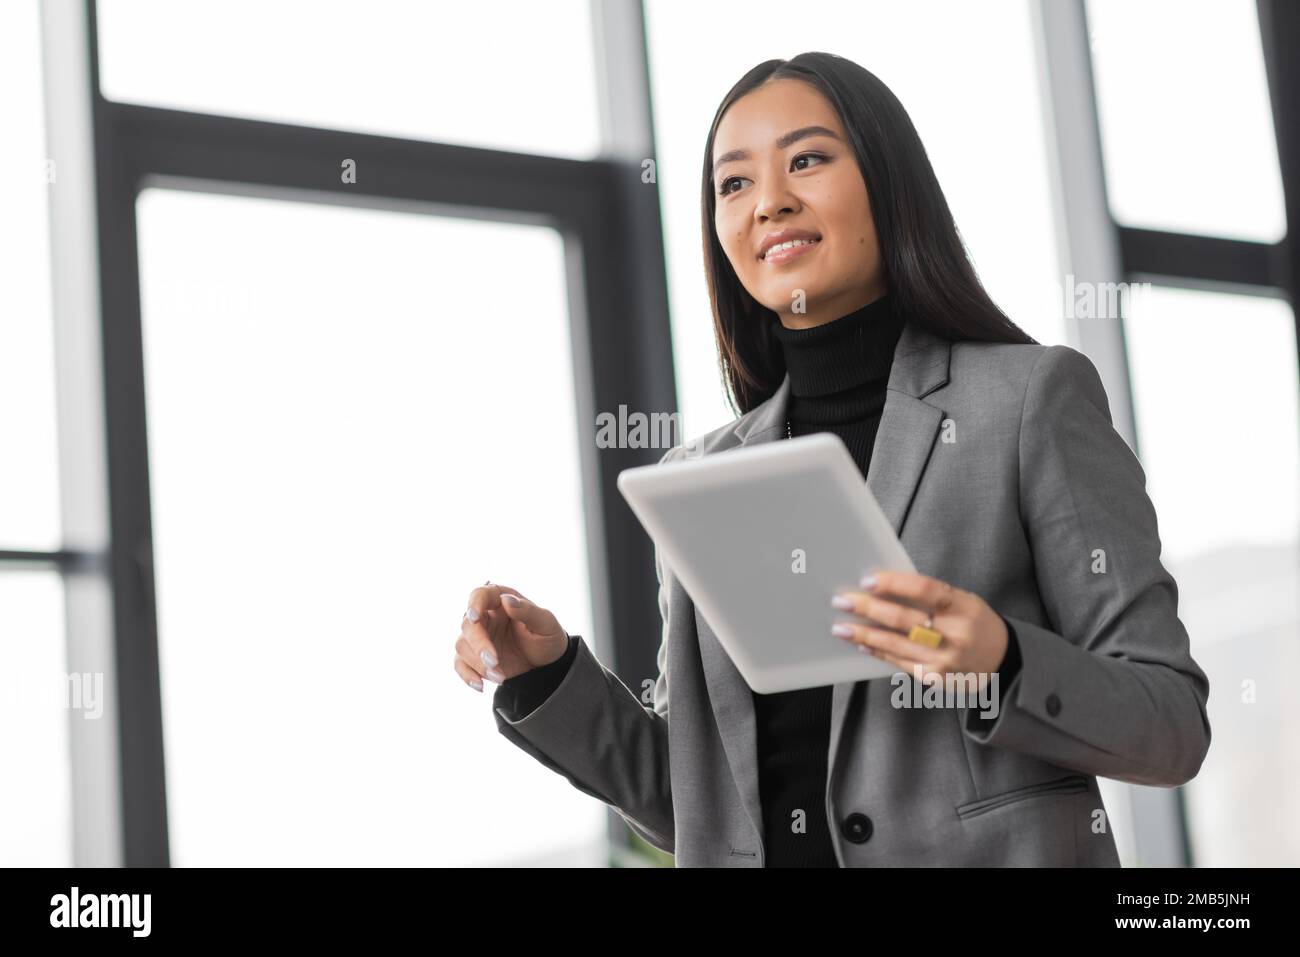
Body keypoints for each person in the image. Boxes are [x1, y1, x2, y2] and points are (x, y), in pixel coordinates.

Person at [451, 52, 1211, 867]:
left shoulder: (1028, 400)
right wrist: (549, 676)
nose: (770, 201)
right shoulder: (701, 478)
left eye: (807, 160)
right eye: (733, 184)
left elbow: (1169, 725)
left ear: (887, 183)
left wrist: (1000, 661)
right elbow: (698, 808)